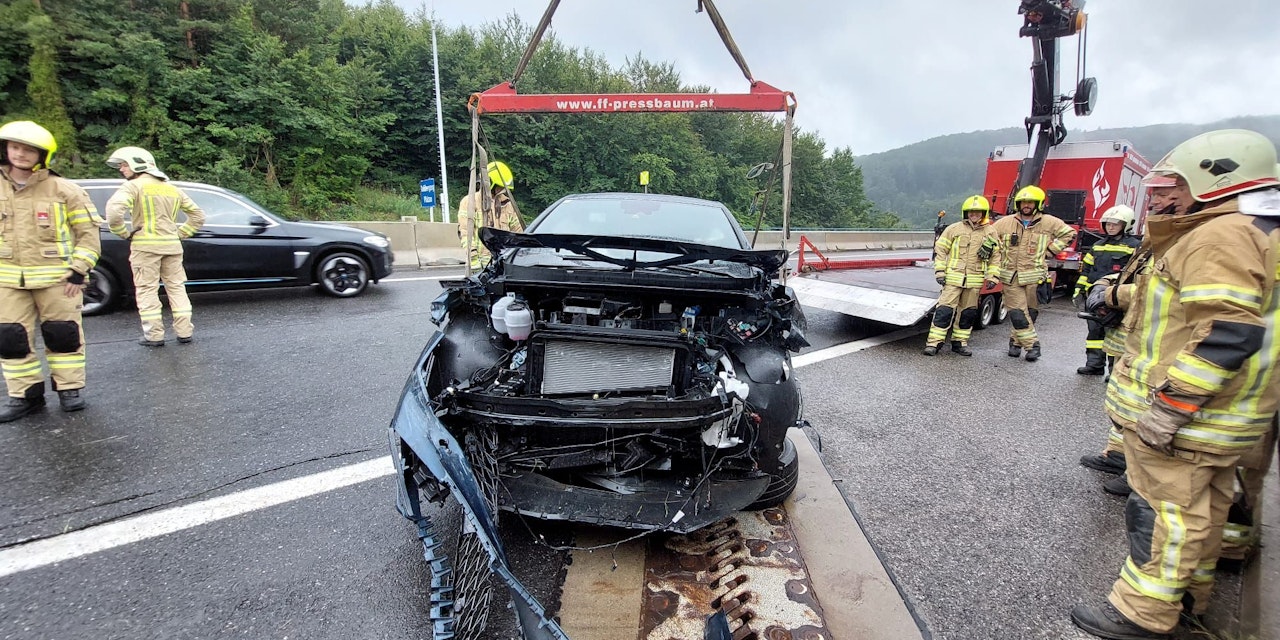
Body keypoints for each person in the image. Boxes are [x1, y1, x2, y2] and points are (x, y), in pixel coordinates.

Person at [1071, 129, 1280, 640]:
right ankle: (1190, 597)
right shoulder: (1260, 231)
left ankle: (1144, 612)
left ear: (1218, 179)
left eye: (1170, 187)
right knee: (1201, 510)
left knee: (1163, 511)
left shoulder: (1220, 235)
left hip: (1193, 416)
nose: (1159, 198)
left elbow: (1227, 332)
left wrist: (1170, 406)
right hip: (1229, 415)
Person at [0, 121, 102, 421]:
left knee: (63, 335)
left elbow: (88, 235)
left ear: (42, 155)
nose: (21, 154)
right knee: (9, 338)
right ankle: (24, 396)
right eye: (15, 147)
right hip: (7, 280)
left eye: (29, 150)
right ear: (5, 149)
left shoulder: (64, 190)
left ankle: (69, 390)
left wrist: (78, 270)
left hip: (57, 280)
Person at [104, 146, 205, 346]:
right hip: (172, 247)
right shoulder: (171, 188)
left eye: (124, 165)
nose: (121, 169)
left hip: (145, 248)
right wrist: (180, 234)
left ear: (137, 163)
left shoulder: (132, 187)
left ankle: (154, 335)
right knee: (176, 288)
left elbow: (114, 212)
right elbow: (198, 216)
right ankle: (184, 332)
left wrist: (122, 233)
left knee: (147, 290)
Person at [990, 185, 1077, 361]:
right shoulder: (1005, 222)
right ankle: (1033, 346)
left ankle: (1015, 343)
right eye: (1023, 202)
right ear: (1018, 204)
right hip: (1011, 278)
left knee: (1030, 313)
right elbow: (988, 237)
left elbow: (1070, 234)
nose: (1026, 205)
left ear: (1038, 204)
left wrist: (1051, 250)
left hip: (1035, 278)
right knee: (1017, 313)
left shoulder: (1049, 222)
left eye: (1030, 202)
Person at [923, 195, 1001, 356]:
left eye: (978, 212)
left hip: (974, 280)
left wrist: (993, 277)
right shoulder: (954, 228)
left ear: (983, 213)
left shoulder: (991, 232)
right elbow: (941, 250)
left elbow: (996, 257)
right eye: (971, 212)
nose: (974, 214)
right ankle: (934, 343)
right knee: (944, 311)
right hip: (952, 279)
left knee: (967, 313)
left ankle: (959, 343)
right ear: (966, 213)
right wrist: (940, 272)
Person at [1073, 205, 1141, 375]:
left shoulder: (1134, 246)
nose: (1110, 227)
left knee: (1116, 334)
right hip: (1095, 297)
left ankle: (1113, 371)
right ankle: (1094, 365)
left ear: (1126, 225)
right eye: (1108, 224)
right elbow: (1087, 271)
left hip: (1117, 298)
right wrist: (1079, 291)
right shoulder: (1097, 246)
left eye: (1115, 224)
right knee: (1094, 331)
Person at [458, 160, 523, 271]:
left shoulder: (507, 204)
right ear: (490, 184)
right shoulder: (470, 202)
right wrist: (474, 261)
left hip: (503, 260)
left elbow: (518, 232)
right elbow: (465, 234)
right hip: (480, 263)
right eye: (500, 186)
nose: (502, 190)